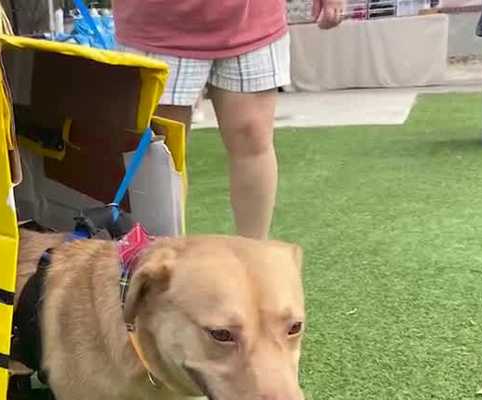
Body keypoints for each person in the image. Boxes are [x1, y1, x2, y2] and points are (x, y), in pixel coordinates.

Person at [113, 0, 345, 239]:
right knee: (160, 153)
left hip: (253, 18)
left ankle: (252, 261)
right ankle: (156, 265)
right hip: (157, 23)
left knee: (253, 138)